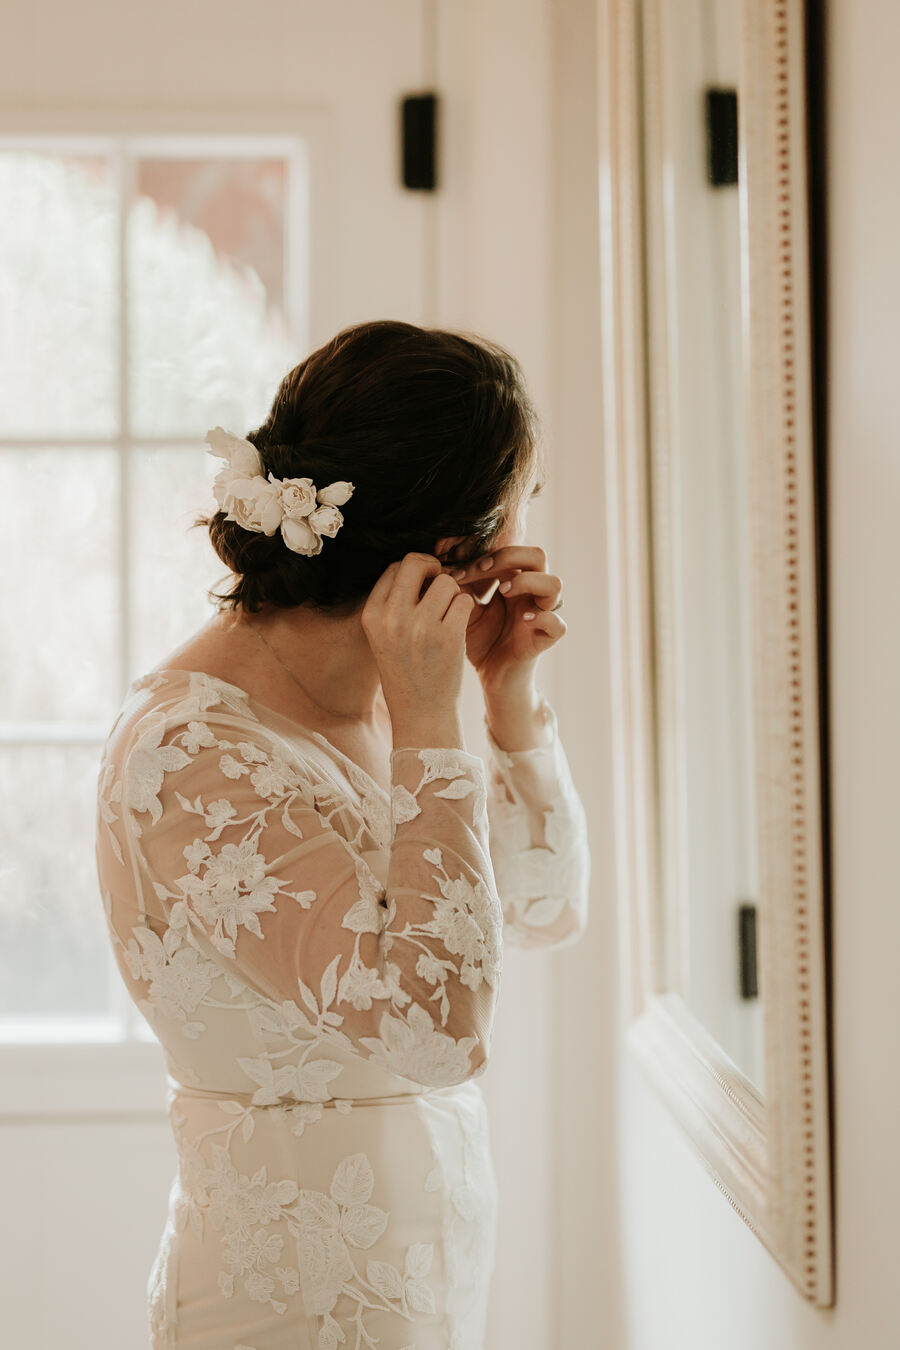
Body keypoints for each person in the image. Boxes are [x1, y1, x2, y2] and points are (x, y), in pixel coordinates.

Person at [94, 319, 591, 1350]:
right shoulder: (193, 757)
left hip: (427, 1285)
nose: (523, 542)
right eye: (518, 509)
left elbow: (543, 909)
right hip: (283, 1309)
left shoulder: (386, 706)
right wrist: (431, 724)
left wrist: (506, 702)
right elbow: (435, 1033)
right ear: (450, 550)